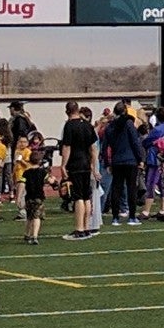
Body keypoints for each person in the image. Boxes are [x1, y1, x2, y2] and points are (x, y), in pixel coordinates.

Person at [59, 100, 100, 240]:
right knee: (86, 195)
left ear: (67, 111)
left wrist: (63, 165)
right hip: (86, 163)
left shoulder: (69, 126)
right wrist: (94, 167)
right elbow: (93, 149)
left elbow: (67, 147)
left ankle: (79, 228)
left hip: (75, 163)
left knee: (78, 197)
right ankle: (87, 227)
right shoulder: (88, 125)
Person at [103, 101, 144, 227]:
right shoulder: (129, 124)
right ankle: (132, 216)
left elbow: (105, 146)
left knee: (117, 188)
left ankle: (115, 217)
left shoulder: (110, 127)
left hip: (116, 161)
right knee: (131, 188)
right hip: (130, 160)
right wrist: (140, 158)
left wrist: (107, 163)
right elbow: (135, 142)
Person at [23, 150, 59, 244]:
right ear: (40, 161)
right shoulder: (43, 172)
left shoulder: (26, 173)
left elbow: (21, 184)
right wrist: (55, 181)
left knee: (29, 217)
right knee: (36, 217)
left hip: (28, 197)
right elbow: (51, 181)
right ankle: (34, 236)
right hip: (39, 197)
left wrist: (18, 197)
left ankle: (27, 234)